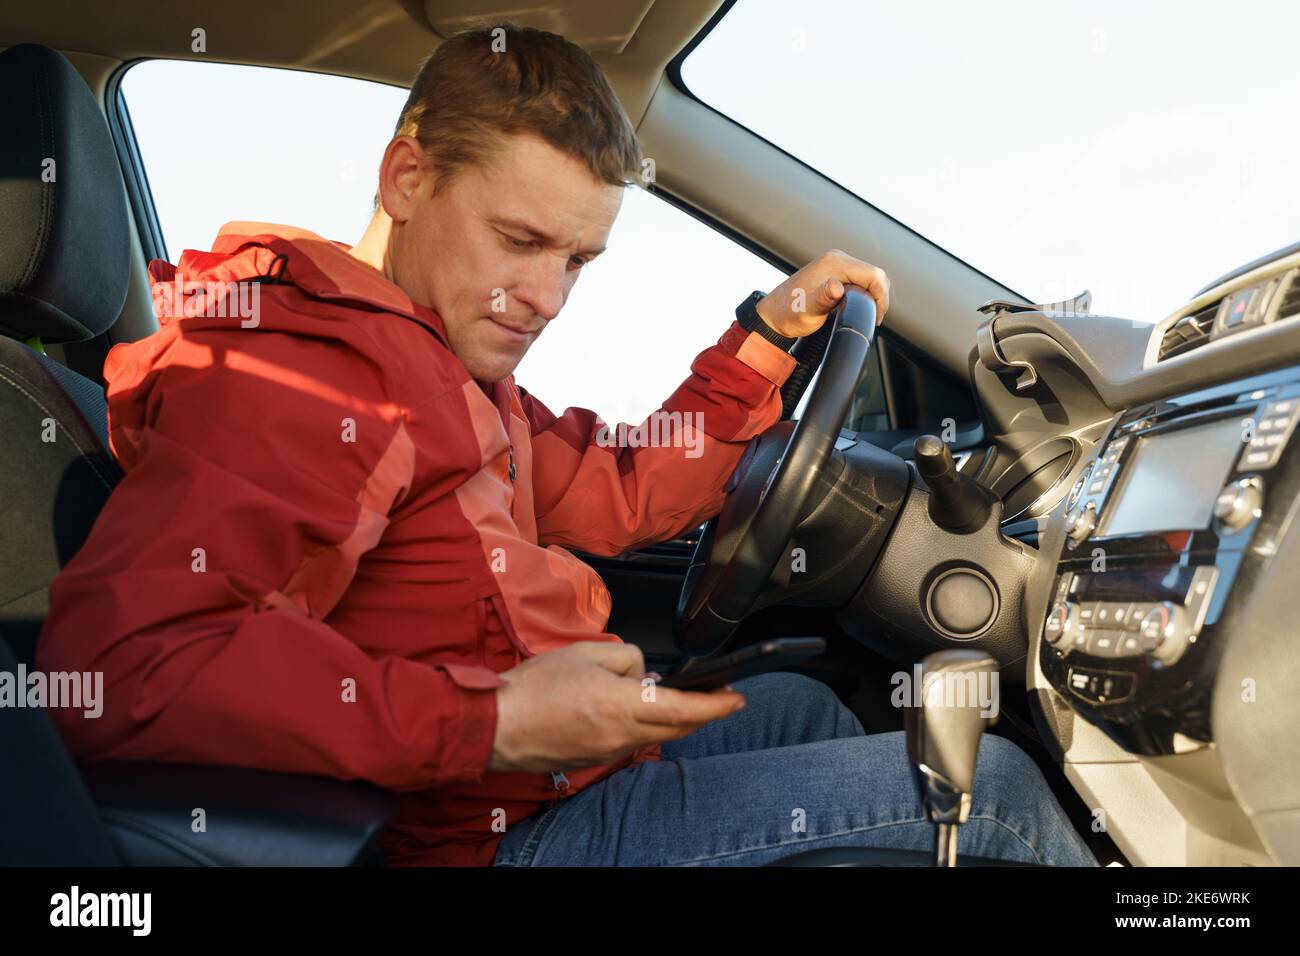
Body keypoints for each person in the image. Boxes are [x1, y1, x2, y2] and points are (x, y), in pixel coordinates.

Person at [37, 23, 1096, 867]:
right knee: (991, 798)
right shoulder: (314, 376)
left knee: (800, 702)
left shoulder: (438, 356)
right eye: (519, 240)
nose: (544, 297)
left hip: (552, 776)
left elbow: (614, 488)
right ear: (407, 178)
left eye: (579, 260)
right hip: (489, 832)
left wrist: (764, 340)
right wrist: (490, 718)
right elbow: (126, 666)